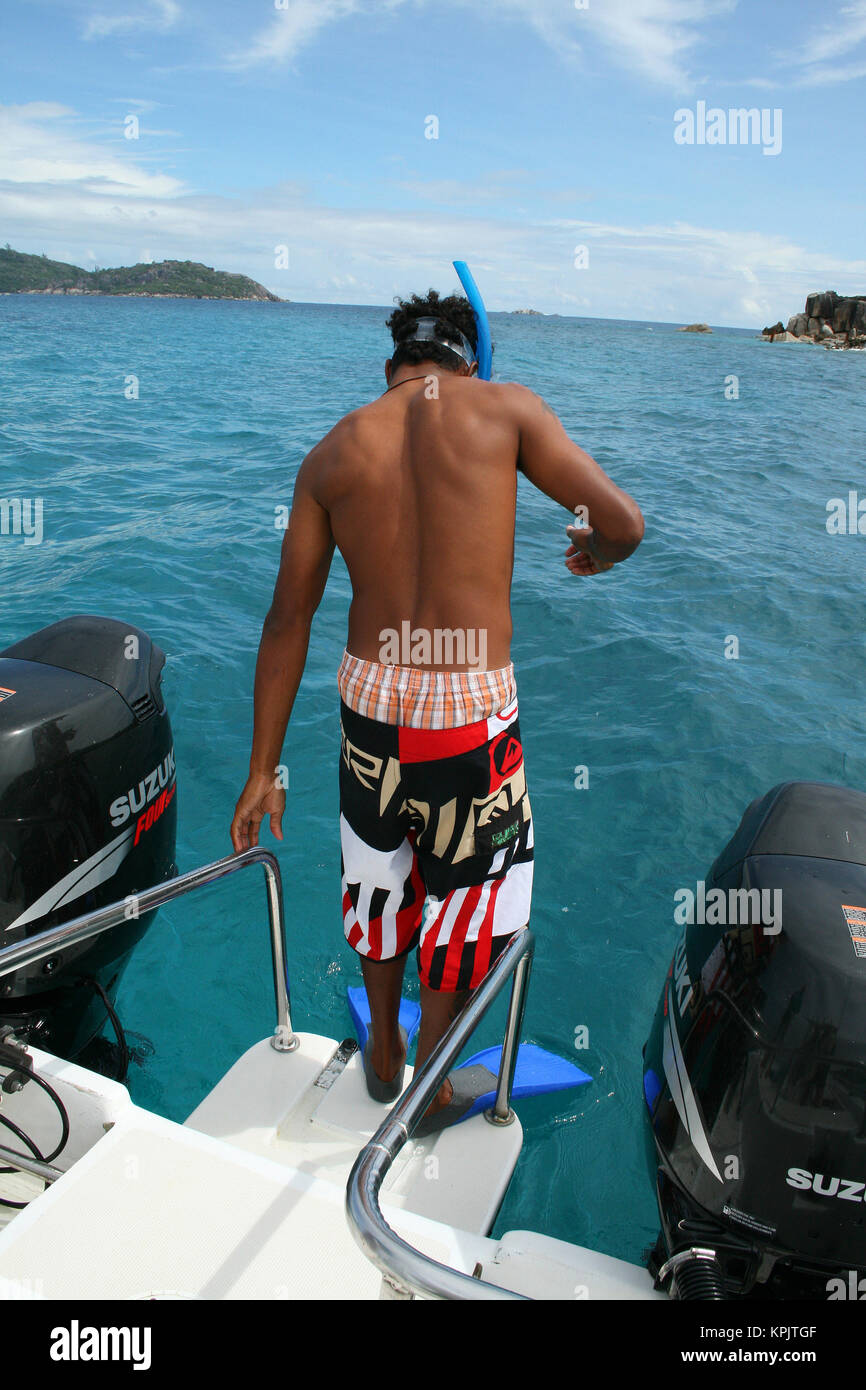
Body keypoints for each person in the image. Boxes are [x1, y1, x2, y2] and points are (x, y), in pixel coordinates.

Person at [231, 289, 644, 1128]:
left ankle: (383, 1052)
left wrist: (261, 772)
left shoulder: (334, 451)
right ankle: (428, 1087)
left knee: (381, 885)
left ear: (392, 365)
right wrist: (593, 552)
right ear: (470, 359)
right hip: (469, 719)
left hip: (370, 715)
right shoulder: (507, 409)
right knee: (471, 900)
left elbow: (287, 620)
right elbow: (624, 524)